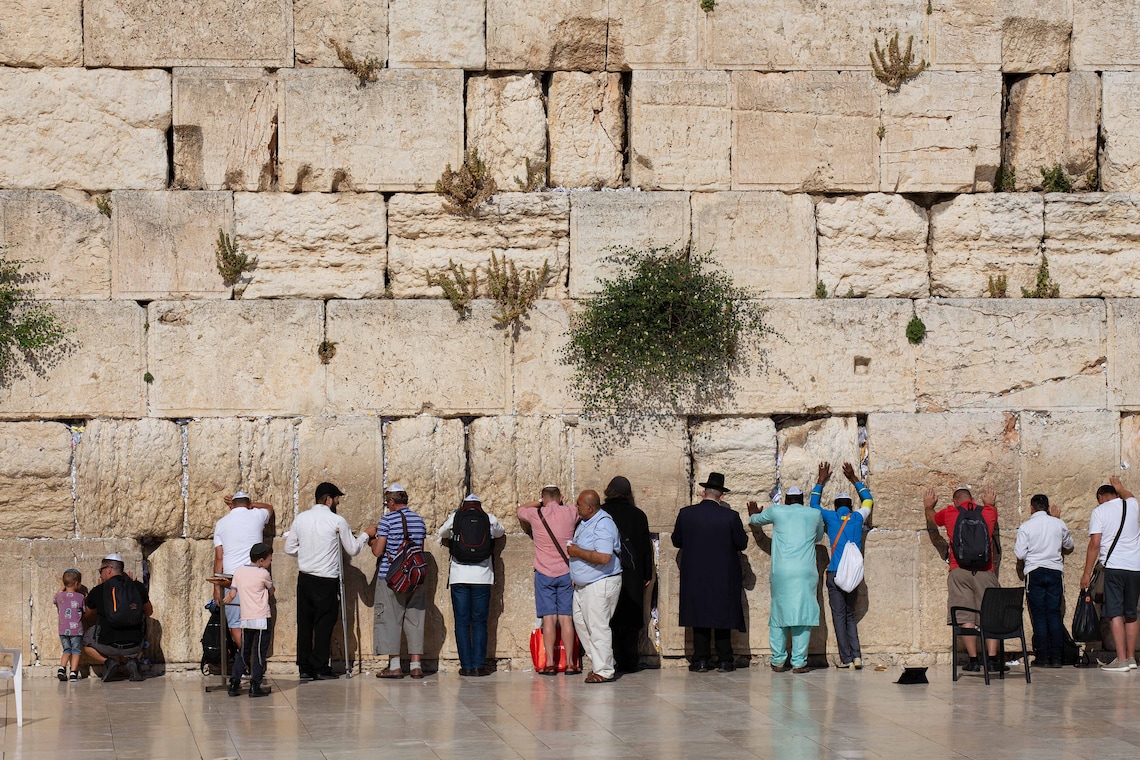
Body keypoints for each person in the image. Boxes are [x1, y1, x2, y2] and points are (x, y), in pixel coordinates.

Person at [284, 482, 376, 681]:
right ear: (328, 499)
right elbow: (352, 549)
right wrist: (365, 536)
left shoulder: (301, 519)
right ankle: (320, 667)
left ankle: (305, 667)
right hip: (326, 579)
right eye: (336, 498)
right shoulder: (337, 521)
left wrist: (310, 551)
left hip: (305, 579)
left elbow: (289, 548)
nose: (338, 501)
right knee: (324, 623)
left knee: (305, 623)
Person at [673, 472, 748, 673]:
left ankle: (701, 660)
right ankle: (724, 659)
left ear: (703, 492)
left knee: (699, 615)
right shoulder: (731, 517)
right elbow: (742, 543)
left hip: (695, 574)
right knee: (722, 615)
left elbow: (676, 540)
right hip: (723, 575)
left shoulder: (686, 514)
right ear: (721, 496)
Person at [924, 484, 1002, 674]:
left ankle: (974, 660)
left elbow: (932, 519)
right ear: (973, 499)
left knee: (966, 615)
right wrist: (990, 503)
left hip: (959, 570)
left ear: (955, 501)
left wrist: (928, 505)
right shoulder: (989, 512)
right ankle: (991, 660)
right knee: (989, 615)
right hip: (986, 571)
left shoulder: (950, 512)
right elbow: (991, 522)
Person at [748, 485, 825, 674]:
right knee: (803, 615)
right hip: (806, 571)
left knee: (779, 615)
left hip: (782, 571)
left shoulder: (777, 510)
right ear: (801, 499)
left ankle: (778, 660)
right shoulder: (814, 514)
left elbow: (755, 520)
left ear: (786, 500)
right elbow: (819, 536)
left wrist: (753, 514)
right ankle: (799, 662)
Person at [810, 462, 874, 670]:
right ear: (849, 505)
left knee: (839, 616)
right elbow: (868, 501)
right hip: (853, 575)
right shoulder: (856, 517)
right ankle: (857, 657)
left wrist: (820, 482)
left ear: (836, 506)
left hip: (835, 572)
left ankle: (846, 659)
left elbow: (813, 507)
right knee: (850, 615)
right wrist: (855, 479)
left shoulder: (831, 516)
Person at [439, 494, 506, 677]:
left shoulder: (456, 517)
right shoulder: (488, 518)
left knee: (461, 623)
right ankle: (478, 665)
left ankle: (466, 666)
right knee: (479, 622)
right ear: (479, 505)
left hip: (459, 577)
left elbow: (442, 533)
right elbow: (500, 532)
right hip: (482, 577)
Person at [517, 485, 579, 675]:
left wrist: (541, 502)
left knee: (549, 619)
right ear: (561, 497)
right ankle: (570, 663)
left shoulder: (536, 514)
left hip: (544, 572)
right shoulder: (570, 512)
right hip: (566, 572)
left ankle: (550, 663)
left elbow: (520, 510)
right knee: (567, 618)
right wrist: (558, 502)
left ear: (543, 498)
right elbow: (580, 509)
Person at [1080, 475, 1140, 672]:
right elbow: (1129, 495)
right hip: (1135, 567)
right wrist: (1120, 486)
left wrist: (1086, 573)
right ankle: (1131, 657)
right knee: (1131, 613)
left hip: (1114, 567)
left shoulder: (1099, 511)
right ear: (1116, 494)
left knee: (1114, 612)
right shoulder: (1131, 505)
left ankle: (1121, 659)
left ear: (1100, 496)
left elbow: (1094, 544)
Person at [212, 491, 274, 676]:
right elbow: (270, 508)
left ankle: (246, 661)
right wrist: (252, 505)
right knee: (257, 620)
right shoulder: (257, 515)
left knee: (236, 624)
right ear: (248, 504)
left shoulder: (221, 523)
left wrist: (216, 588)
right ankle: (256, 662)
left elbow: (219, 557)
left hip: (231, 578)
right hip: (255, 577)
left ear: (231, 505)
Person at [370, 483, 429, 679]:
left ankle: (394, 666)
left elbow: (379, 551)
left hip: (391, 577)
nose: (387, 506)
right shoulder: (419, 521)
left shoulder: (387, 520)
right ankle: (416, 666)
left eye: (388, 502)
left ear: (393, 501)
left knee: (390, 620)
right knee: (415, 621)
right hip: (415, 577)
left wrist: (372, 541)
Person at [599, 476, 654, 674]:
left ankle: (611, 659)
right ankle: (630, 660)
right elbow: (646, 548)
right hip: (633, 572)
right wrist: (647, 573)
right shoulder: (639, 515)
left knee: (610, 616)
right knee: (631, 616)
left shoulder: (602, 513)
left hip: (607, 571)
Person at [568, 489, 623, 684]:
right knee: (581, 624)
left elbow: (604, 557)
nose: (576, 507)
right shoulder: (585, 522)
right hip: (585, 584)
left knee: (598, 626)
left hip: (601, 582)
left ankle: (604, 670)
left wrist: (576, 552)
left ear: (590, 507)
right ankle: (603, 661)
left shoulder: (603, 524)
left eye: (579, 504)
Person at [1014, 494, 1074, 668]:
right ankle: (1056, 657)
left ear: (1032, 508)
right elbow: (1069, 545)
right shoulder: (1058, 523)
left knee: (1039, 615)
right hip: (1055, 571)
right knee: (1054, 614)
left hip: (1035, 572)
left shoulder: (1026, 526)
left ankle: (1043, 657)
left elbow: (1020, 553)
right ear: (1047, 507)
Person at [82, 553, 152, 683]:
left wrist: (93, 598)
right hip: (134, 646)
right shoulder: (137, 587)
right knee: (145, 634)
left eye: (100, 570)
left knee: (85, 642)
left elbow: (87, 616)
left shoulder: (98, 590)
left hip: (106, 645)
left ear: (108, 569)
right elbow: (149, 612)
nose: (100, 574)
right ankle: (133, 660)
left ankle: (109, 662)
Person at [225, 542, 275, 698]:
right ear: (261, 561)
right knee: (259, 652)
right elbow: (271, 591)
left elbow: (232, 593)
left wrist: (226, 599)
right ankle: (255, 686)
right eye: (269, 559)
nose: (270, 562)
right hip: (261, 618)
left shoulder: (239, 571)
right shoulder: (263, 574)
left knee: (244, 652)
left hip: (246, 618)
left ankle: (234, 683)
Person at [54, 569, 85, 682]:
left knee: (66, 649)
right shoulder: (80, 597)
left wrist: (62, 587)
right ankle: (73, 672)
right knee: (76, 650)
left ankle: (62, 668)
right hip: (76, 630)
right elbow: (84, 610)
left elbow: (54, 598)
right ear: (77, 583)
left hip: (63, 629)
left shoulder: (60, 596)